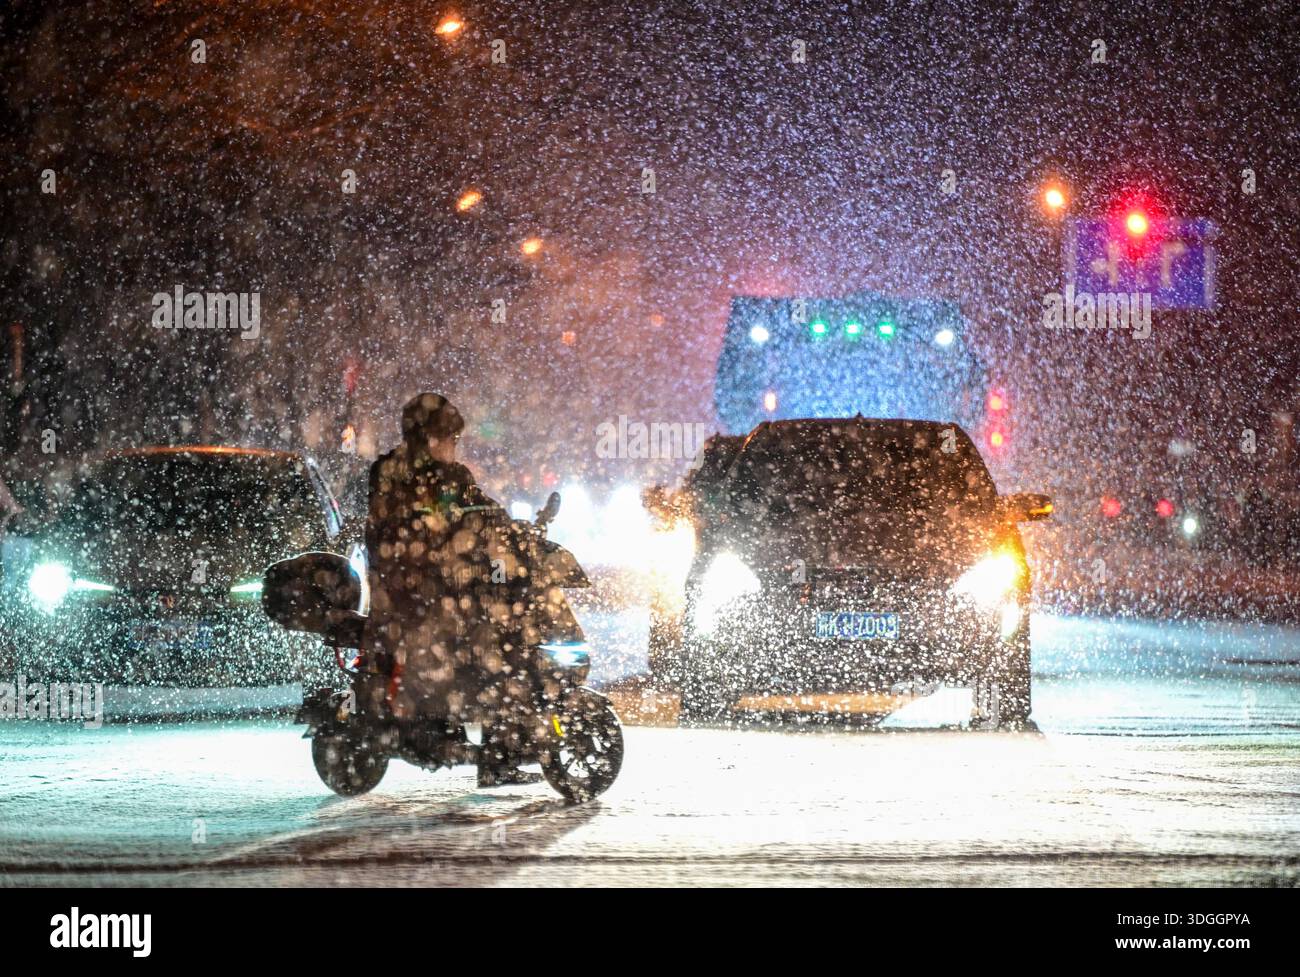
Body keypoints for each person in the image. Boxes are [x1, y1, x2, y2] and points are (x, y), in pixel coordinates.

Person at [364, 392, 540, 787]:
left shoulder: (444, 475)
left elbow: (486, 513)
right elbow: (399, 532)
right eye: (450, 439)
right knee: (495, 646)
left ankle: (488, 745)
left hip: (437, 588)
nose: (453, 447)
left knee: (497, 627)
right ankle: (495, 758)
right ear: (429, 438)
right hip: (415, 595)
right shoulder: (400, 475)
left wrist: (518, 533)